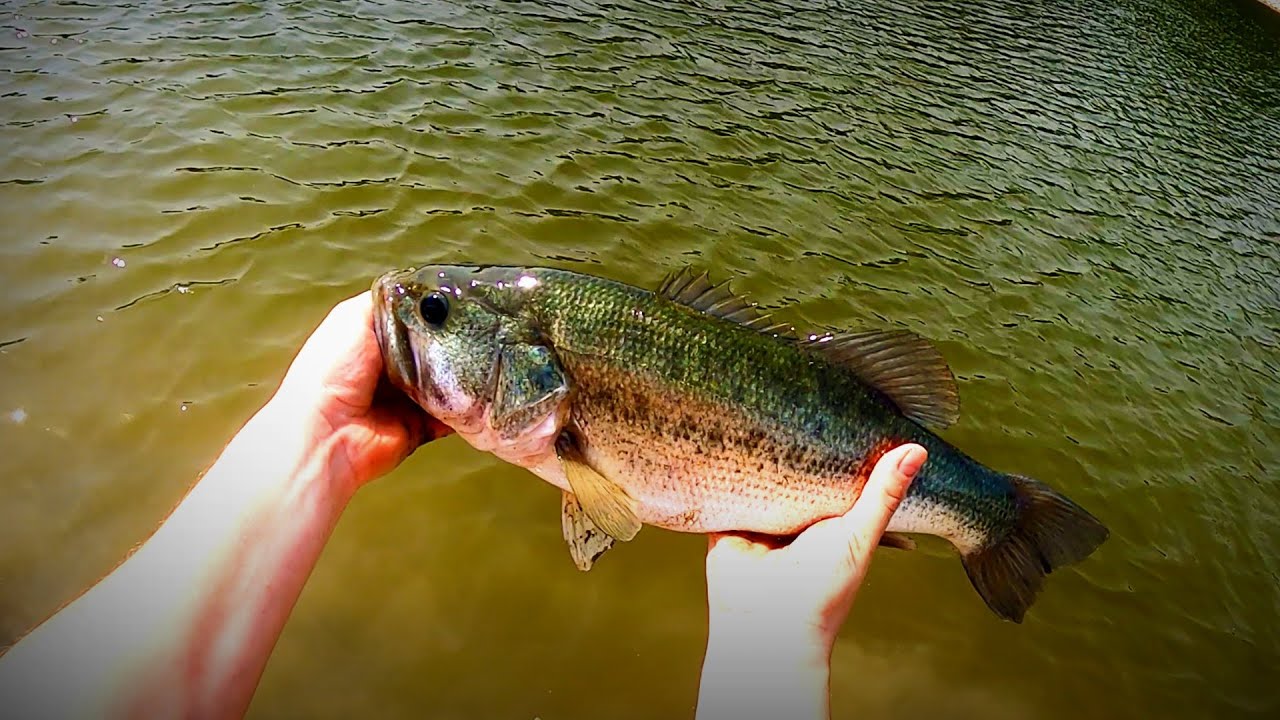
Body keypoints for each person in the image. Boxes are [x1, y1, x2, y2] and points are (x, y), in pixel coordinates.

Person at [0, 292, 925, 720]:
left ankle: (990, 522)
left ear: (536, 368)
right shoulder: (551, 425)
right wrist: (775, 653)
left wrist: (310, 438)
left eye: (438, 316)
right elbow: (606, 501)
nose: (406, 311)